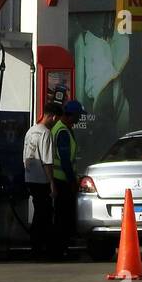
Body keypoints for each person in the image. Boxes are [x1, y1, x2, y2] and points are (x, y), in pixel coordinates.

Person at [23, 104, 57, 260]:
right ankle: (42, 249)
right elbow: (47, 161)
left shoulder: (31, 131)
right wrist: (52, 183)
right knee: (44, 214)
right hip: (42, 179)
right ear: (54, 117)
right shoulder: (46, 133)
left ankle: (36, 247)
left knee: (39, 212)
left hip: (30, 177)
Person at [51, 100, 83, 259]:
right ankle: (59, 250)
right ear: (72, 115)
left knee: (62, 216)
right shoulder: (62, 131)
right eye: (78, 116)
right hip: (61, 181)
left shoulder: (63, 128)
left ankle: (60, 248)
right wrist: (72, 182)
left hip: (61, 180)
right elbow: (64, 160)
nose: (79, 120)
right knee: (63, 217)